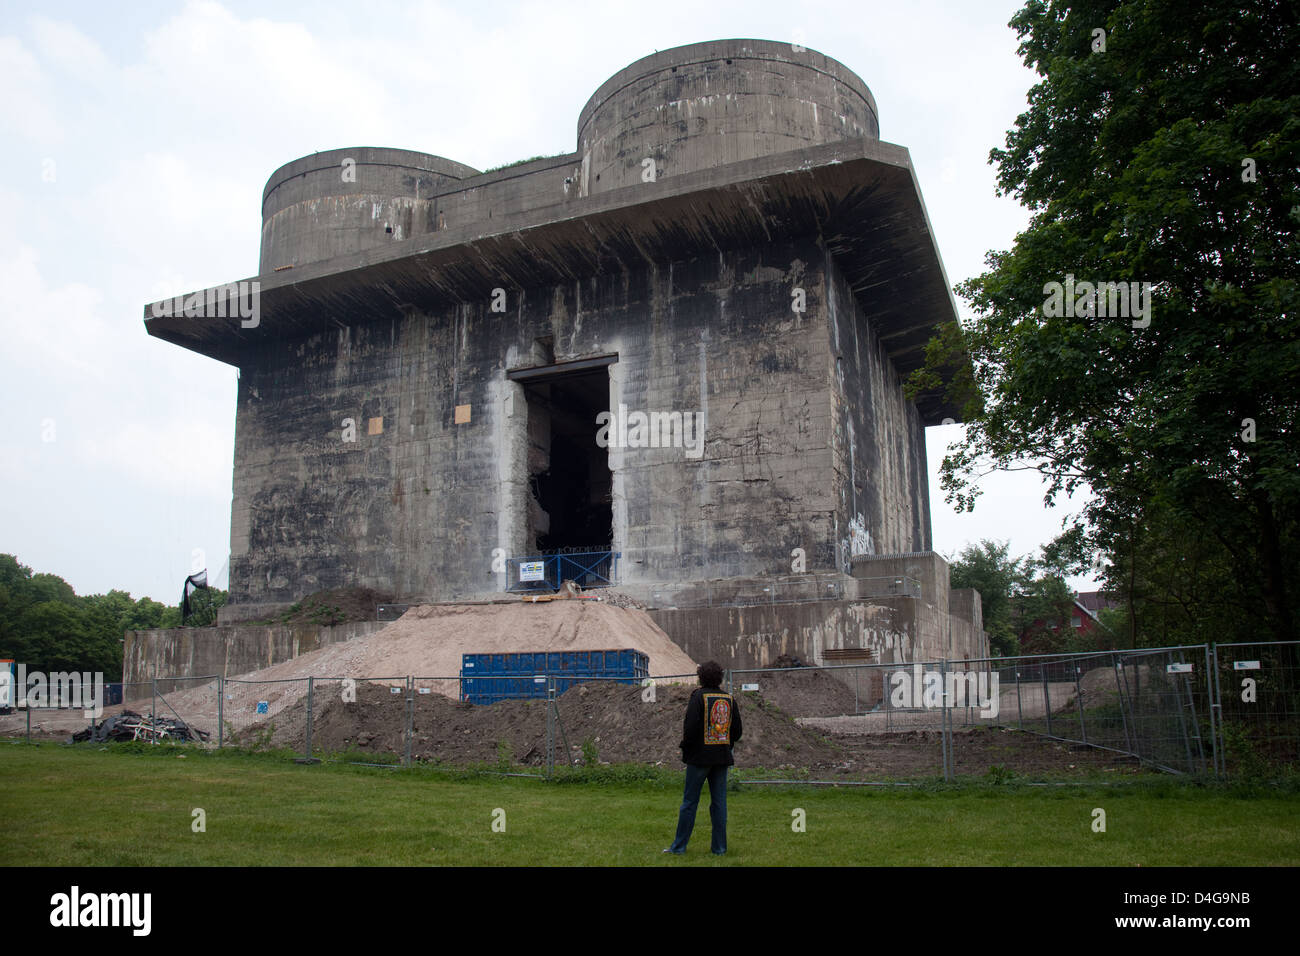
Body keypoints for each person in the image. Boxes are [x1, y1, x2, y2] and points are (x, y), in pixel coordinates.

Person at [664, 660, 742, 855]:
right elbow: (737, 731)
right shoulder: (729, 699)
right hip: (722, 758)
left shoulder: (698, 697)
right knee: (719, 804)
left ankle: (679, 847)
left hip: (699, 758)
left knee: (689, 803)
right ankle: (719, 849)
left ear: (701, 677)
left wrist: (687, 748)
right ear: (720, 677)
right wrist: (726, 742)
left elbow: (690, 728)